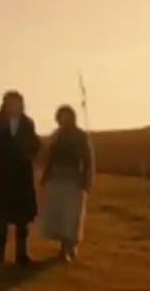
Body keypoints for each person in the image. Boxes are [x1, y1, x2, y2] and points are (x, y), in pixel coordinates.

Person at [0, 90, 42, 265]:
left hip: (22, 175)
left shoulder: (27, 123)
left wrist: (28, 152)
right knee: (2, 217)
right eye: (10, 103)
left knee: (22, 218)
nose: (13, 106)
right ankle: (0, 254)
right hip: (3, 174)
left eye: (16, 103)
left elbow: (35, 145)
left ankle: (21, 254)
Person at [38, 105, 95, 261]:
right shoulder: (56, 136)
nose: (62, 120)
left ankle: (70, 246)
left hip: (73, 180)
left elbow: (87, 159)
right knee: (60, 215)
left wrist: (87, 179)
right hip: (57, 178)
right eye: (60, 116)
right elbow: (50, 158)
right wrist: (45, 177)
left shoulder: (80, 136)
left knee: (71, 216)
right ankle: (64, 248)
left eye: (65, 116)